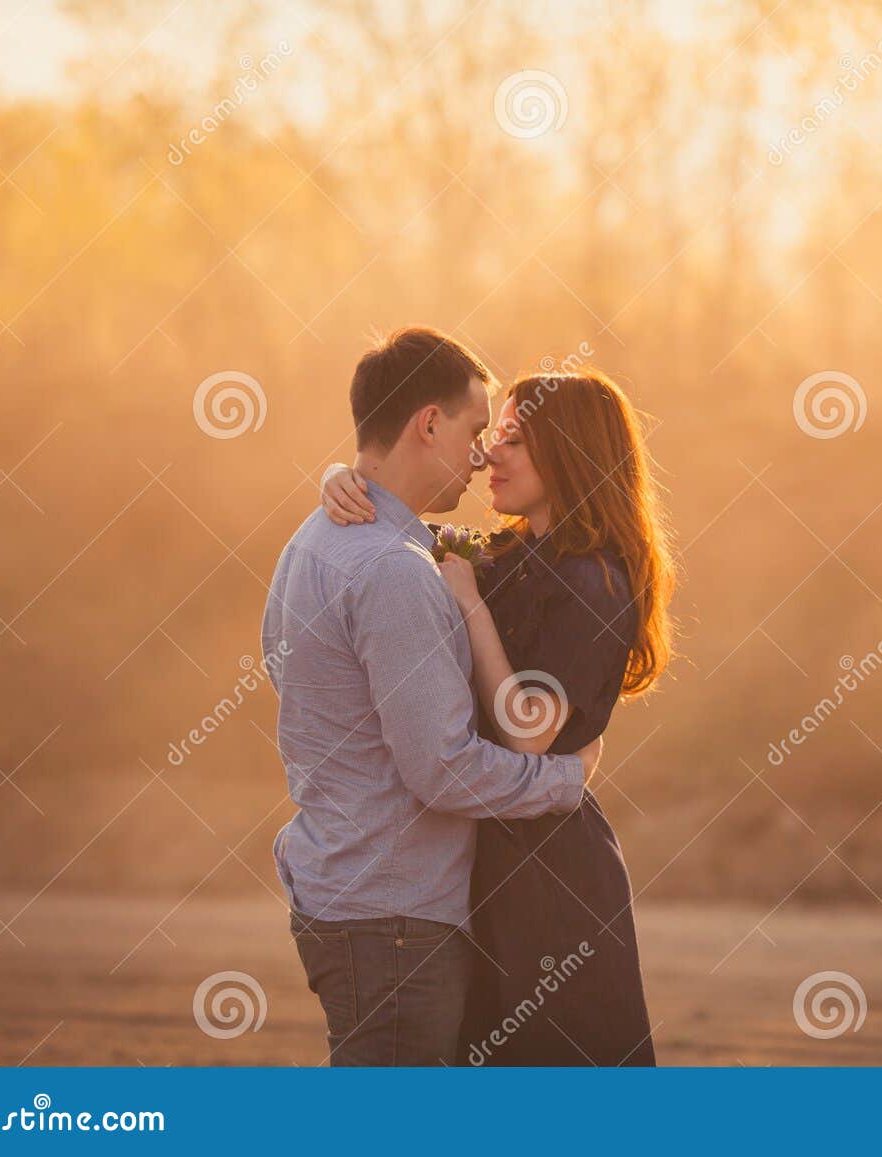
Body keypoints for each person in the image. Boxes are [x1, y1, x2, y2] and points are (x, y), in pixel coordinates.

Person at [262, 326, 603, 1066]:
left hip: (346, 895)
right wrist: (564, 779)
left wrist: (336, 473)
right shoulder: (394, 571)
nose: (482, 454)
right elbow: (441, 767)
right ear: (428, 423)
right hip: (392, 918)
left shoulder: (314, 541)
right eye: (476, 430)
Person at [320, 364, 675, 1065]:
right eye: (492, 434)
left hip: (550, 878)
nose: (488, 453)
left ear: (570, 449)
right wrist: (340, 477)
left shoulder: (595, 579)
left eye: (512, 436)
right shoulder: (512, 552)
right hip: (485, 859)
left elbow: (527, 728)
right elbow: (399, 530)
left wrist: (472, 606)